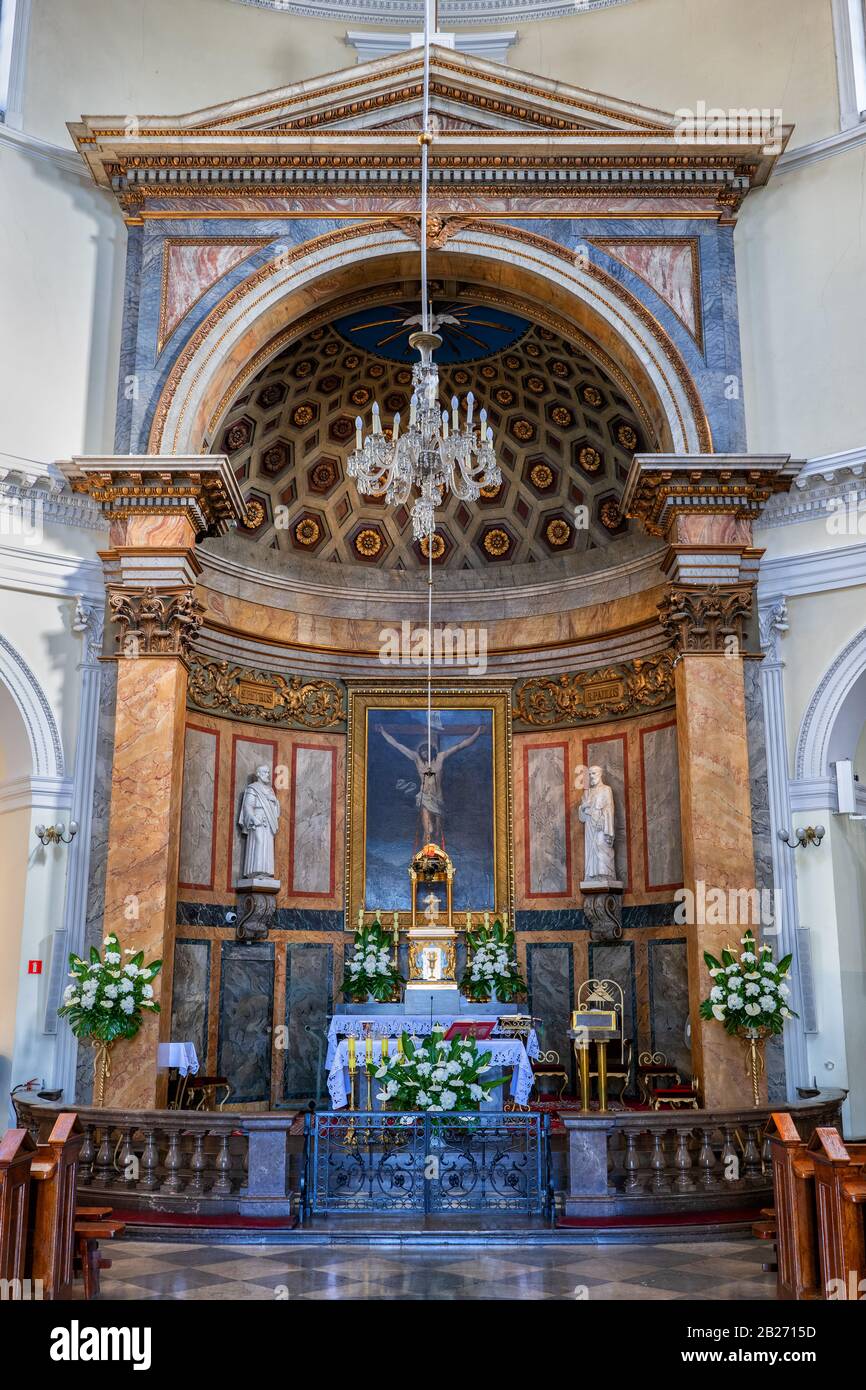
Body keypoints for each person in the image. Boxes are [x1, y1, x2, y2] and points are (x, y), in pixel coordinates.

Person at [377, 722, 481, 845]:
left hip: (438, 798)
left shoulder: (440, 757)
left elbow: (460, 746)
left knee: (437, 831)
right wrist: (383, 732)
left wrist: (477, 733)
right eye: (422, 752)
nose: (424, 754)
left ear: (432, 751)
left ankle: (436, 854)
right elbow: (397, 745)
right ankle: (424, 854)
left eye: (427, 751)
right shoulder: (417, 759)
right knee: (428, 829)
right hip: (424, 797)